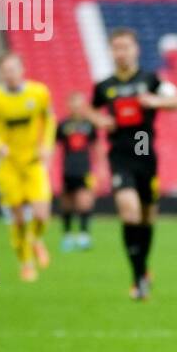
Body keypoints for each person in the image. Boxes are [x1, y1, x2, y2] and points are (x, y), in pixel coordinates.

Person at [90, 27, 177, 300]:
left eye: (126, 47)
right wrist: (100, 121)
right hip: (119, 155)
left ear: (136, 49)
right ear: (111, 51)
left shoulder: (151, 79)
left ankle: (142, 269)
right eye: (117, 47)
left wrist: (155, 101)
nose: (122, 52)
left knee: (146, 217)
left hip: (145, 153)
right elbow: (91, 113)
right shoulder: (104, 86)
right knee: (129, 212)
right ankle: (138, 278)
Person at [0, 53, 55, 282]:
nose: (10, 74)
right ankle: (26, 263)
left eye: (14, 69)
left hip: (33, 164)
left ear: (22, 69)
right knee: (19, 220)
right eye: (6, 70)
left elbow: (50, 119)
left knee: (42, 214)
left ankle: (35, 240)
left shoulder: (39, 92)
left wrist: (47, 145)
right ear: (0, 73)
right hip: (9, 166)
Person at [56, 91, 98, 251]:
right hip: (67, 168)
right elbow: (55, 146)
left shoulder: (89, 125)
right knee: (67, 203)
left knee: (84, 202)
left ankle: (84, 235)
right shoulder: (63, 125)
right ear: (69, 106)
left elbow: (96, 146)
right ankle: (67, 235)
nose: (76, 107)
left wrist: (100, 168)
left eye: (79, 104)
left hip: (85, 168)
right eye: (73, 104)